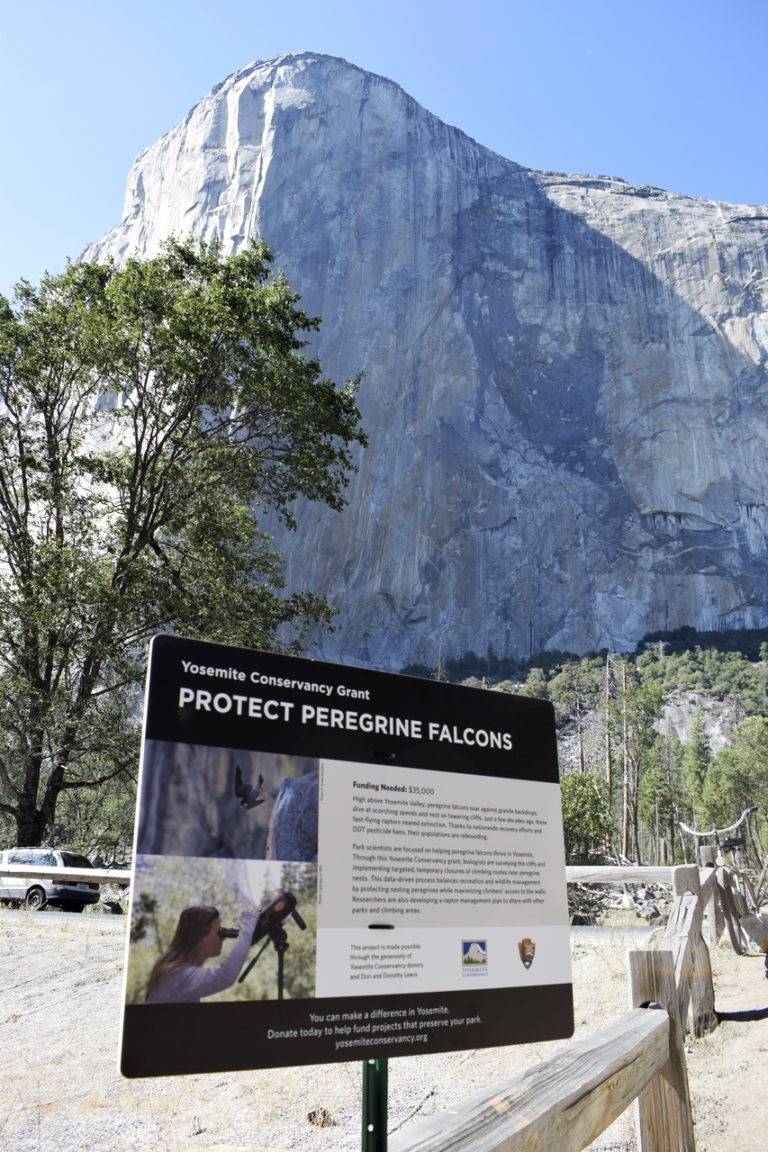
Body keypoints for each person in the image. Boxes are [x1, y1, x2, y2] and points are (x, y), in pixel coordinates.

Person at [145, 904, 259, 1004]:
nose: (223, 938)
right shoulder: (177, 976)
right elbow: (225, 976)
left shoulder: (174, 971)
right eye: (220, 932)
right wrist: (248, 925)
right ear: (201, 936)